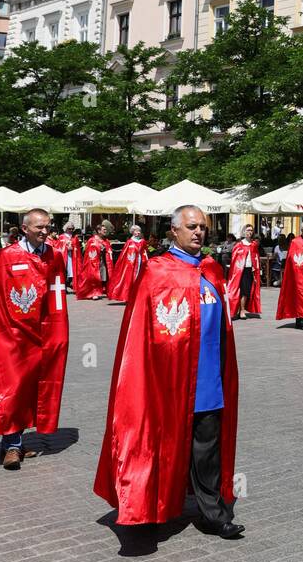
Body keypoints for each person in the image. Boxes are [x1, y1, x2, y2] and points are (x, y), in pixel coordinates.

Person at [94, 205, 242, 538]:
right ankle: (150, 508)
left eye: (203, 227)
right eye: (192, 226)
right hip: (167, 382)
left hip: (208, 380)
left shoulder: (212, 270)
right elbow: (139, 335)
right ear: (173, 231)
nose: (199, 232)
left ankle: (213, 514)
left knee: (207, 450)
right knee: (162, 447)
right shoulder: (156, 272)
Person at [0, 209, 69, 469]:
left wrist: (57, 329)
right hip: (11, 334)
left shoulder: (53, 255)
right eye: (39, 227)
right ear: (25, 229)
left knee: (28, 388)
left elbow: (57, 293)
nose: (45, 231)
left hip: (41, 333)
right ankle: (12, 446)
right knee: (11, 387)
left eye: (48, 226)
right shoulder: (8, 256)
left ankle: (13, 441)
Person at [226, 224, 262, 319]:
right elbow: (234, 259)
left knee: (248, 290)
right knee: (243, 291)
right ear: (244, 231)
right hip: (240, 271)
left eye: (251, 230)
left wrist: (257, 269)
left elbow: (256, 258)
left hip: (251, 270)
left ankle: (242, 309)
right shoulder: (239, 245)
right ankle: (241, 310)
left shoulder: (254, 245)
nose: (249, 232)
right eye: (247, 230)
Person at [107, 224, 148, 303]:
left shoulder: (142, 241)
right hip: (130, 265)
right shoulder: (129, 242)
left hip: (139, 263)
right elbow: (124, 254)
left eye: (139, 231)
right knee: (129, 280)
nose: (138, 232)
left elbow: (144, 252)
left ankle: (137, 296)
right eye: (136, 231)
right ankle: (128, 296)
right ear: (132, 232)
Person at [73, 223, 113, 300]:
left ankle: (102, 290)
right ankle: (93, 292)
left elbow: (108, 249)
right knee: (94, 277)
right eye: (104, 229)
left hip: (103, 261)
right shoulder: (92, 240)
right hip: (94, 262)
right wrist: (99, 248)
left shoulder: (105, 240)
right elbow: (90, 252)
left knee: (103, 276)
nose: (105, 231)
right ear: (99, 231)